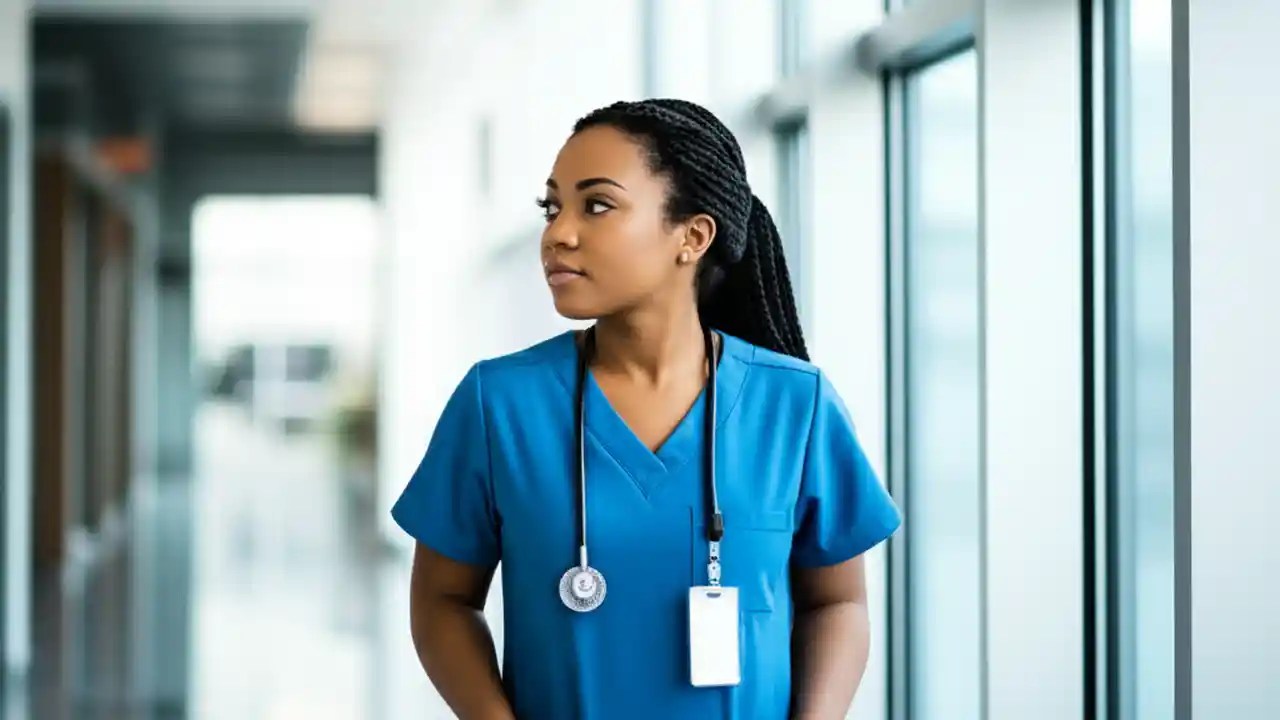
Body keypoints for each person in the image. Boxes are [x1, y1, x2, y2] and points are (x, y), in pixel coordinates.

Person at [391, 98, 902, 719]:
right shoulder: (499, 404)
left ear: (692, 236)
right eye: (552, 207)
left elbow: (837, 603)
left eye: (597, 204)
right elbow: (442, 601)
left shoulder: (796, 405)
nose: (558, 232)